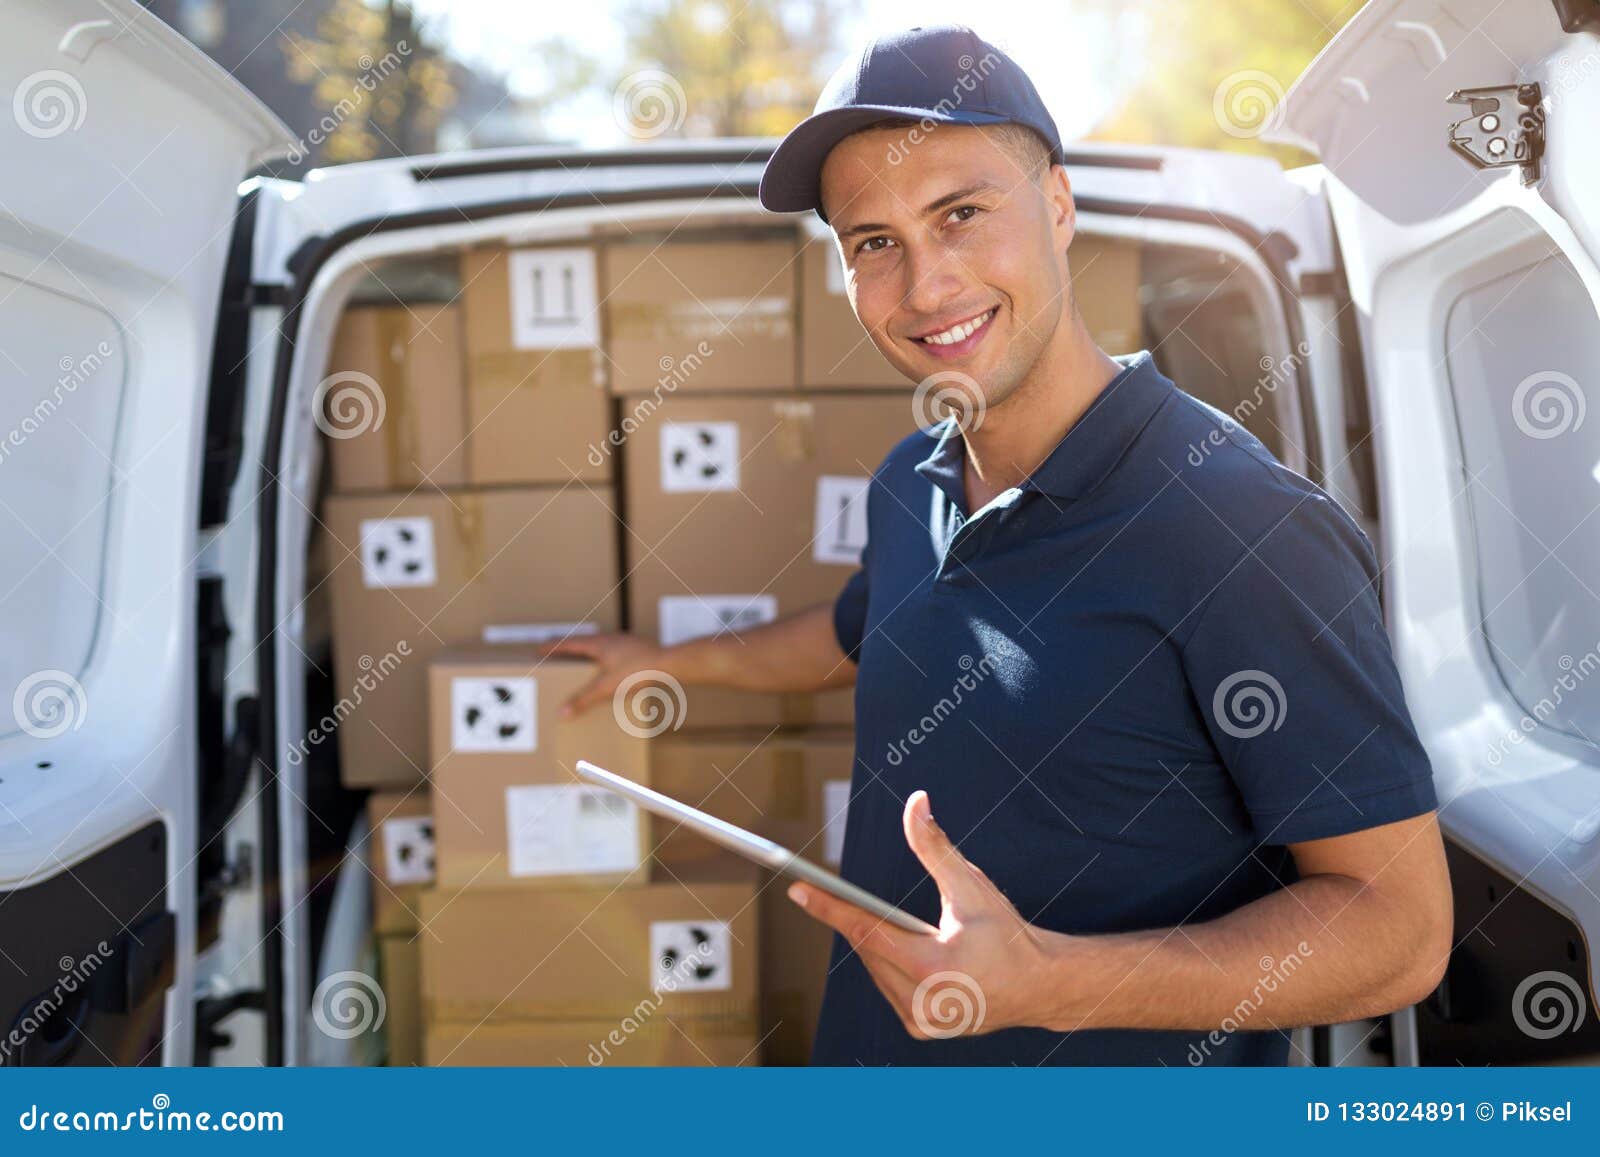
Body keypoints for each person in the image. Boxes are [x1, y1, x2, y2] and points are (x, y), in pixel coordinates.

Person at [546, 24, 1452, 1065]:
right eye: (873, 242)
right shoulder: (909, 482)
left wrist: (1053, 983)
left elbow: (1401, 930)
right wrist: (662, 664)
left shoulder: (1240, 526)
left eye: (961, 215)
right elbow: (859, 635)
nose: (925, 286)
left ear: (1057, 205)